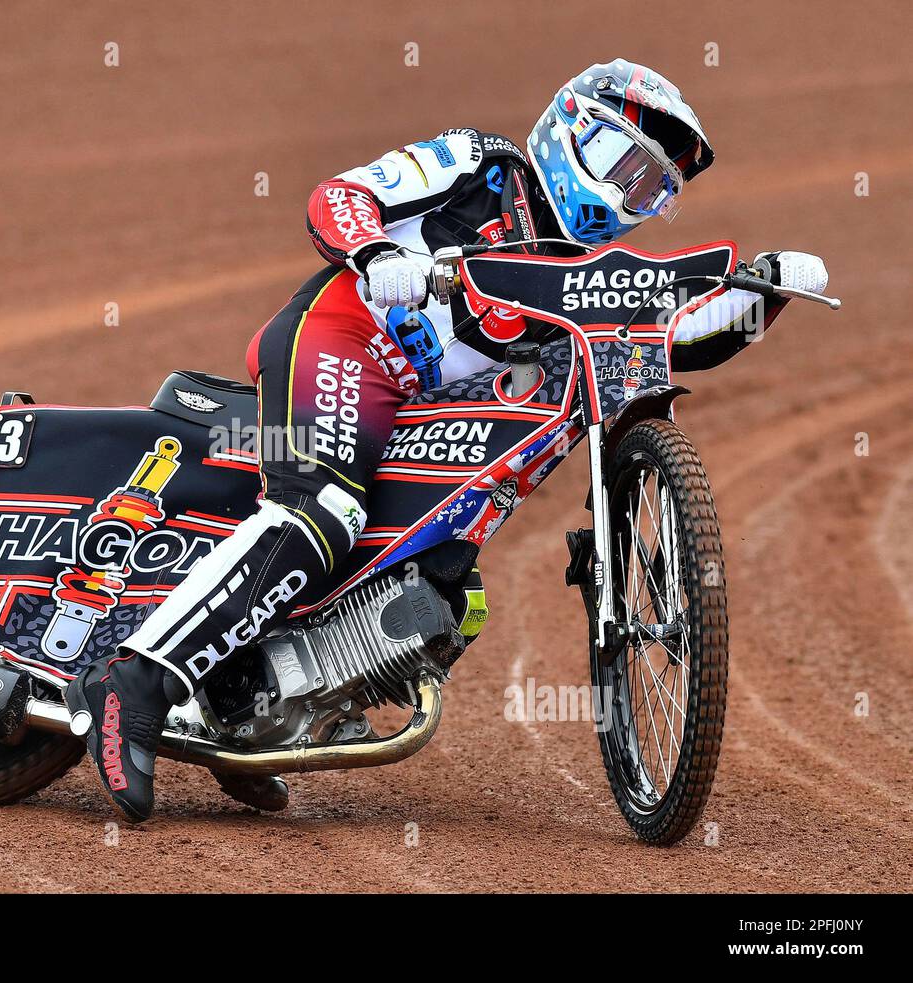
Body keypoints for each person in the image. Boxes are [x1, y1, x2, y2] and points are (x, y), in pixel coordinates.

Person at [65, 59, 829, 822]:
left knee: (443, 582)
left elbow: (671, 342)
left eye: (649, 188)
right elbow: (340, 194)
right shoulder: (481, 165)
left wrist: (763, 290)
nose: (627, 196)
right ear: (571, 132)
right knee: (321, 510)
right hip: (345, 337)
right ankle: (134, 681)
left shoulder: (589, 273)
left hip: (415, 403)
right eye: (621, 165)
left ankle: (249, 715)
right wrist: (376, 254)